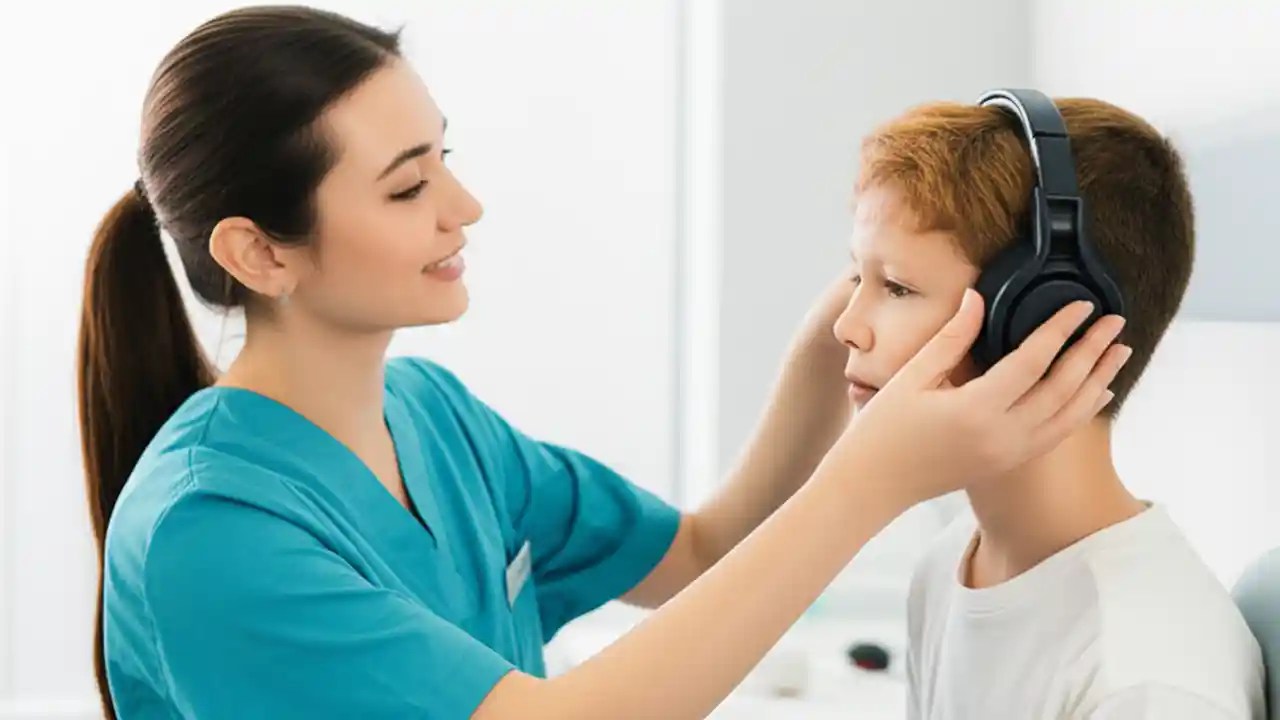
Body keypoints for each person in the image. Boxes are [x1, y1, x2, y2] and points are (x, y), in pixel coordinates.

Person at [76, 7, 1127, 719]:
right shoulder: (211, 537)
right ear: (259, 252)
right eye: (406, 188)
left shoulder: (429, 417)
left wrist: (836, 338)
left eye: (447, 155)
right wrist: (873, 481)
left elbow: (705, 555)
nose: (464, 207)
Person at [834, 95, 1265, 718]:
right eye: (857, 278)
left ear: (1043, 320)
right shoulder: (950, 564)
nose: (847, 327)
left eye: (897, 287)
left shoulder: (1147, 683)